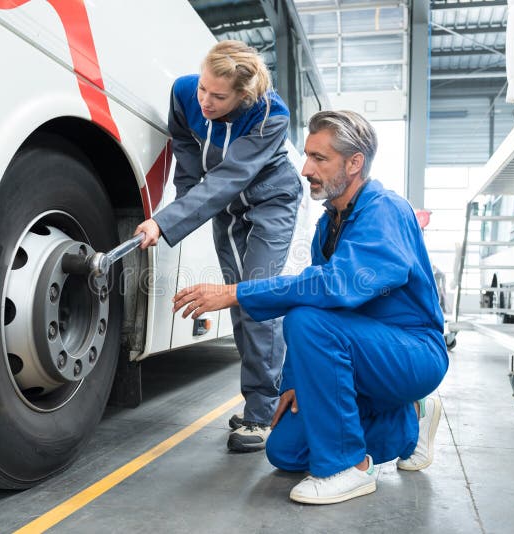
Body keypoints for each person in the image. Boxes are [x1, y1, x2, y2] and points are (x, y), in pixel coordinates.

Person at [171, 110, 449, 505]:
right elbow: (311, 294)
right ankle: (409, 422)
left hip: (411, 353)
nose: (305, 169)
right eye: (307, 156)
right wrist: (294, 382)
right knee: (284, 451)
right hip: (362, 353)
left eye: (320, 158)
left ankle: (346, 466)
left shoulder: (385, 209)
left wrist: (238, 292)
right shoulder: (329, 224)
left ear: (355, 163)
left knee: (307, 322)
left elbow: (338, 284)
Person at [134, 40, 303, 452]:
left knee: (255, 299)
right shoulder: (182, 93)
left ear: (242, 96)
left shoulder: (270, 114)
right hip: (228, 209)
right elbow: (189, 162)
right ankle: (262, 402)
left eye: (219, 96)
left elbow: (230, 177)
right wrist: (173, 212)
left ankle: (262, 415)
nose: (206, 101)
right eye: (203, 90)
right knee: (240, 305)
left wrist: (166, 221)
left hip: (269, 201)